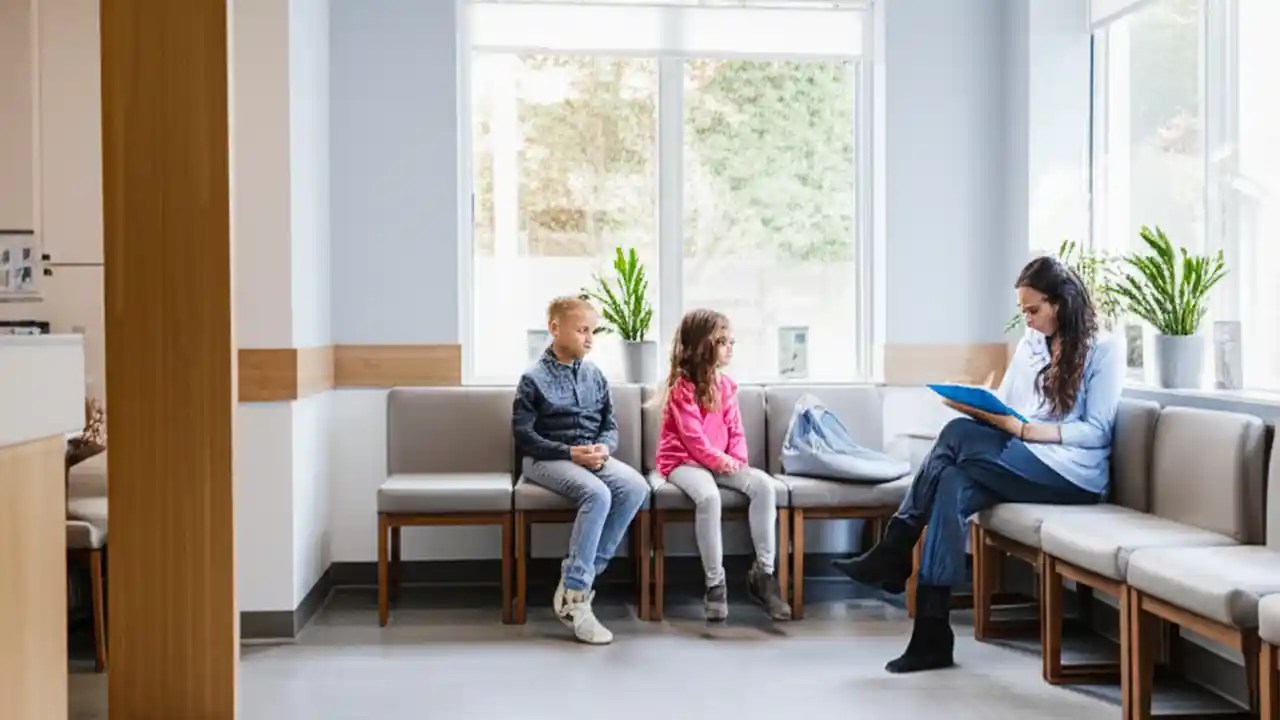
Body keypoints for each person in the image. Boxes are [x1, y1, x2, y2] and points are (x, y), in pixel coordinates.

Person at [833, 255, 1124, 673]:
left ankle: (896, 548)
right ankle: (931, 634)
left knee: (954, 436)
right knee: (951, 480)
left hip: (1072, 475)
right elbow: (1007, 405)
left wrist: (1028, 433)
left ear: (1060, 303)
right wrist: (982, 410)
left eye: (1034, 310)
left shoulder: (1103, 351)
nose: (1027, 320)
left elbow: (1098, 430)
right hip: (1025, 461)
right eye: (1022, 311)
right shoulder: (1031, 345)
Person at [512, 296, 649, 645]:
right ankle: (575, 598)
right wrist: (570, 453)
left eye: (593, 331)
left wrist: (605, 447)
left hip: (590, 455)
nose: (589, 338)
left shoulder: (595, 375)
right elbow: (525, 437)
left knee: (635, 487)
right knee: (598, 493)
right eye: (582, 330)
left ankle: (581, 578)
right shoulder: (532, 378)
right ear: (555, 329)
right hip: (547, 459)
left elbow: (610, 425)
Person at [655, 309, 792, 622]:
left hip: (720, 461)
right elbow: (693, 438)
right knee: (709, 497)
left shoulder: (727, 386)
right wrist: (722, 462)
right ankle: (715, 583)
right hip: (683, 461)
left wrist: (738, 462)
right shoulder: (682, 389)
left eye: (732, 341)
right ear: (703, 345)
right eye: (722, 341)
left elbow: (735, 429)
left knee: (763, 486)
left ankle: (764, 575)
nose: (730, 347)